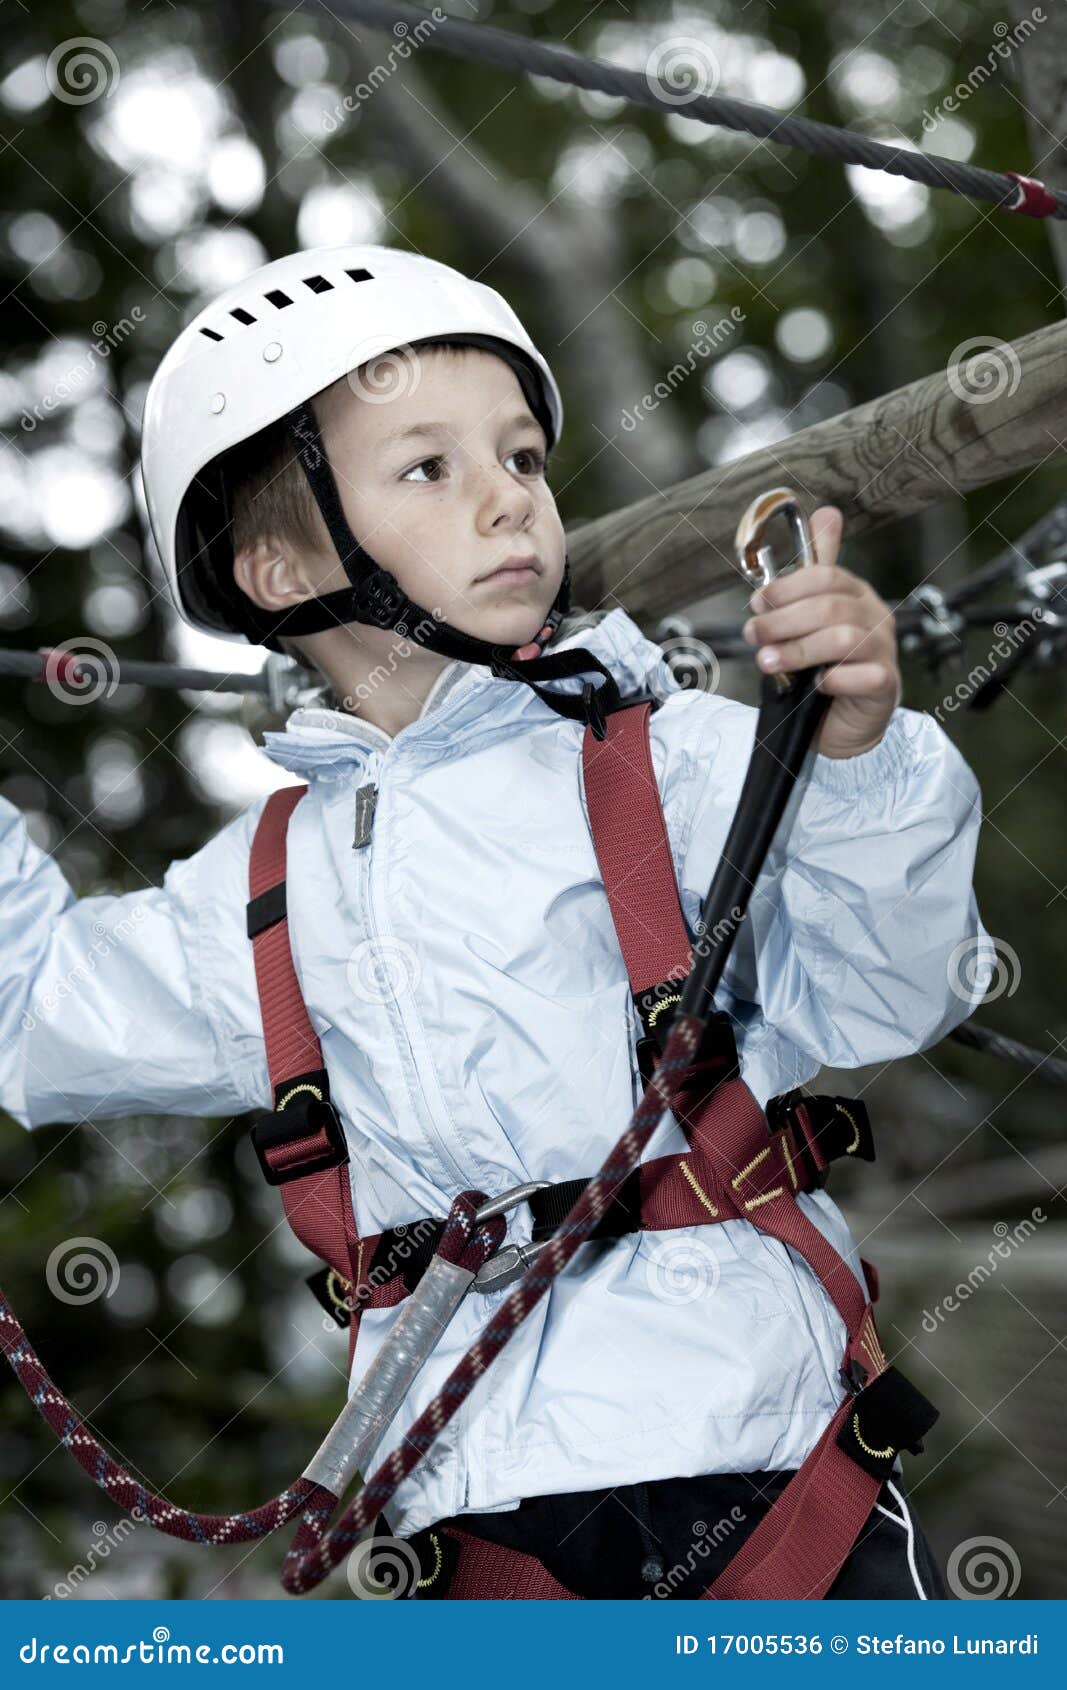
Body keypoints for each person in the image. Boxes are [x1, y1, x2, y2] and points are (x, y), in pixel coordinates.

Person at [0, 243, 991, 1600]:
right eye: (431, 468)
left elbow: (894, 989)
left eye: (521, 458)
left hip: (763, 1470)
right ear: (283, 564)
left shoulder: (671, 764)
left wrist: (859, 757)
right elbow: (39, 1011)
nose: (509, 502)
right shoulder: (263, 887)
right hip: (461, 1524)